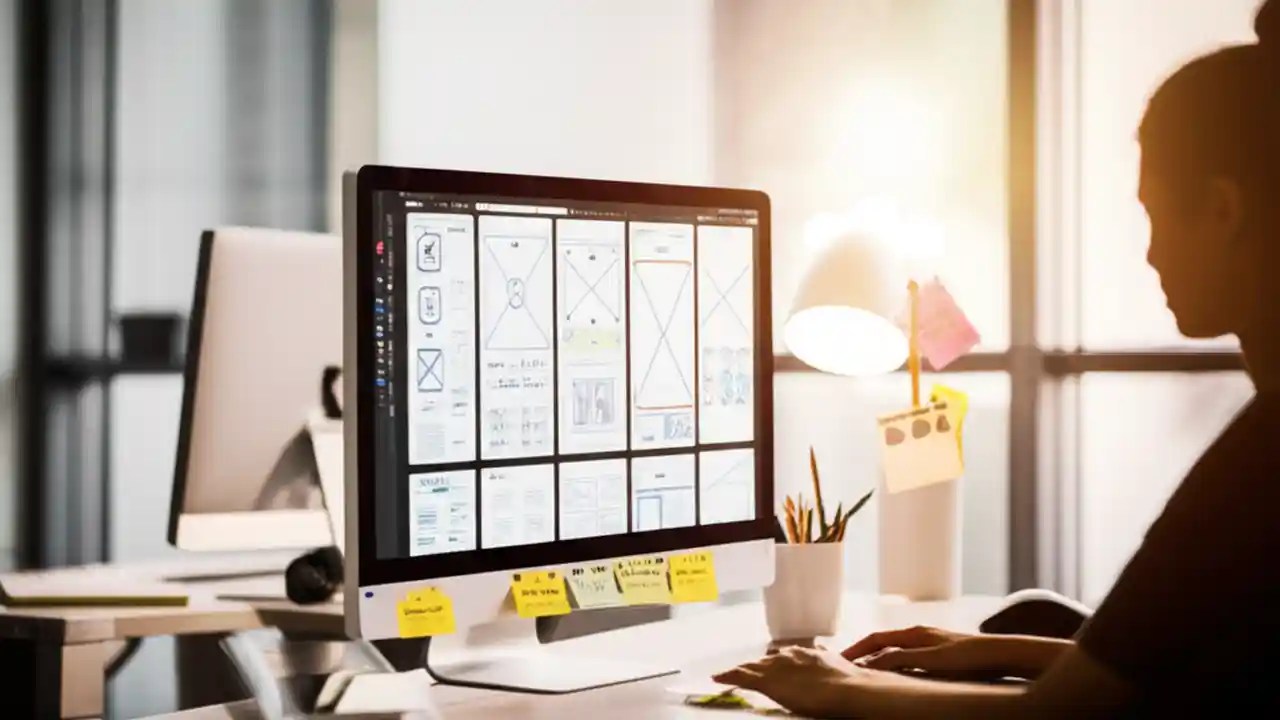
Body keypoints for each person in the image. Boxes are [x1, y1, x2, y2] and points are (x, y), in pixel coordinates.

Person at [714, 1, 1280, 717]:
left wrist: (838, 687)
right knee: (1028, 614)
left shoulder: (1260, 459)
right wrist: (990, 648)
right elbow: (1171, 664)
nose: (1150, 252)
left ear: (1224, 211)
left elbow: (1057, 715)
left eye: (1155, 214)